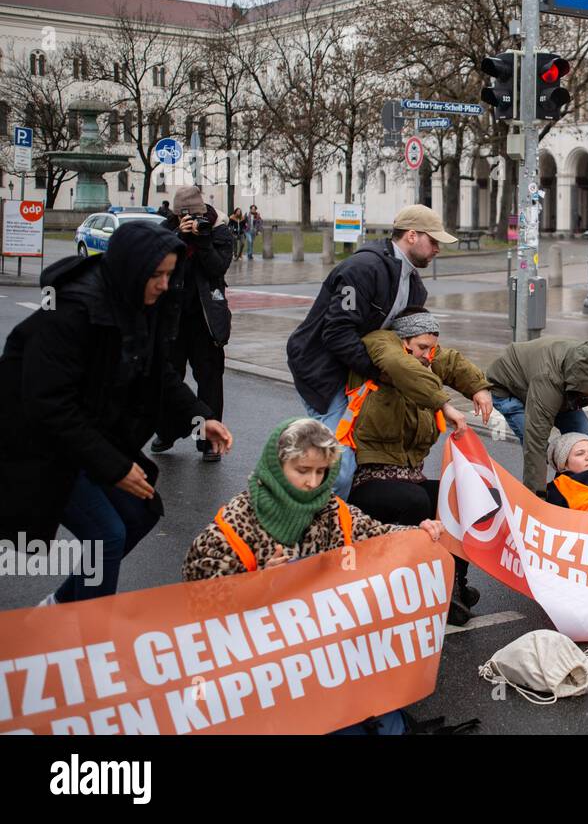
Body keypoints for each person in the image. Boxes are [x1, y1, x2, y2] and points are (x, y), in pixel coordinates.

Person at [0, 220, 234, 602]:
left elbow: (159, 373)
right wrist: (115, 467)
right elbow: (50, 405)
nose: (163, 284)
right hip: (40, 441)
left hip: (90, 432)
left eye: (169, 275)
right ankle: (89, 635)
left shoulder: (142, 303)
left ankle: (60, 607)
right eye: (155, 275)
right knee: (106, 535)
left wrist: (200, 418)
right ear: (131, 268)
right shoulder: (71, 310)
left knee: (139, 514)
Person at [182, 418, 443, 735]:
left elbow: (380, 537)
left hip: (329, 658)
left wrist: (418, 534)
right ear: (277, 465)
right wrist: (258, 585)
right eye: (302, 470)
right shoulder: (236, 523)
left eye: (321, 473)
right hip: (263, 669)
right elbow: (198, 600)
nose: (312, 482)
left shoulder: (334, 511)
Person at [286, 204, 456, 499]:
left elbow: (409, 343)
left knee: (354, 459)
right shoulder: (362, 269)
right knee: (338, 464)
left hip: (355, 370)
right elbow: (337, 332)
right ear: (412, 236)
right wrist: (381, 373)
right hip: (323, 370)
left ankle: (353, 521)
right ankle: (314, 526)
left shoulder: (415, 286)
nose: (438, 249)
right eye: (434, 241)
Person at [339, 307, 493, 624]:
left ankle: (452, 586)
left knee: (460, 497)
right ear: (403, 339)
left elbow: (450, 362)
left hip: (410, 475)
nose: (427, 355)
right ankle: (404, 593)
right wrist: (445, 405)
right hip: (368, 477)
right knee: (416, 501)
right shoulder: (381, 346)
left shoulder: (424, 360)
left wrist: (479, 387)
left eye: (430, 348)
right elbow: (401, 366)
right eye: (422, 347)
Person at [487, 336, 588, 495]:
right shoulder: (549, 378)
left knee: (584, 435)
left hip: (559, 392)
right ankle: (541, 495)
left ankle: (570, 489)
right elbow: (535, 440)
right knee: (543, 449)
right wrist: (537, 499)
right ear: (580, 381)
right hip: (508, 387)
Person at [151, 186, 234, 462]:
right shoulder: (167, 229)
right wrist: (178, 237)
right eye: (182, 217)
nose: (189, 220)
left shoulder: (218, 229)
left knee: (209, 378)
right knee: (168, 375)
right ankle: (168, 430)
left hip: (205, 317)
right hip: (171, 316)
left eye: (193, 216)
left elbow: (217, 268)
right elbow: (156, 264)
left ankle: (208, 440)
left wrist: (202, 242)